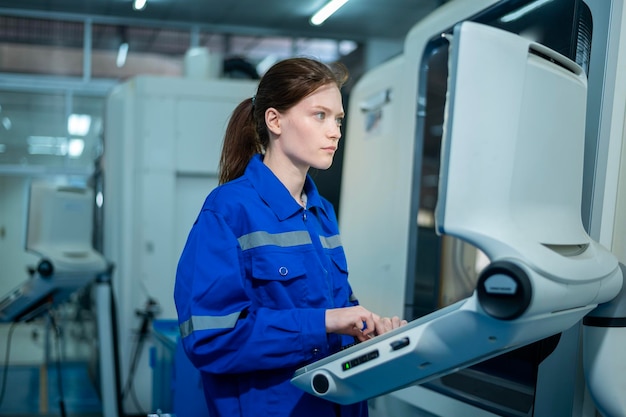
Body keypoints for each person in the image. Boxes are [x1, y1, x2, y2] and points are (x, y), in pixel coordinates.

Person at [174, 57, 407, 417]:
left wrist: (366, 329)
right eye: (320, 115)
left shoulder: (321, 211)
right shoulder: (229, 210)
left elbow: (335, 307)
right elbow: (210, 339)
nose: (335, 132)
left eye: (338, 119)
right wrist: (326, 322)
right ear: (275, 120)